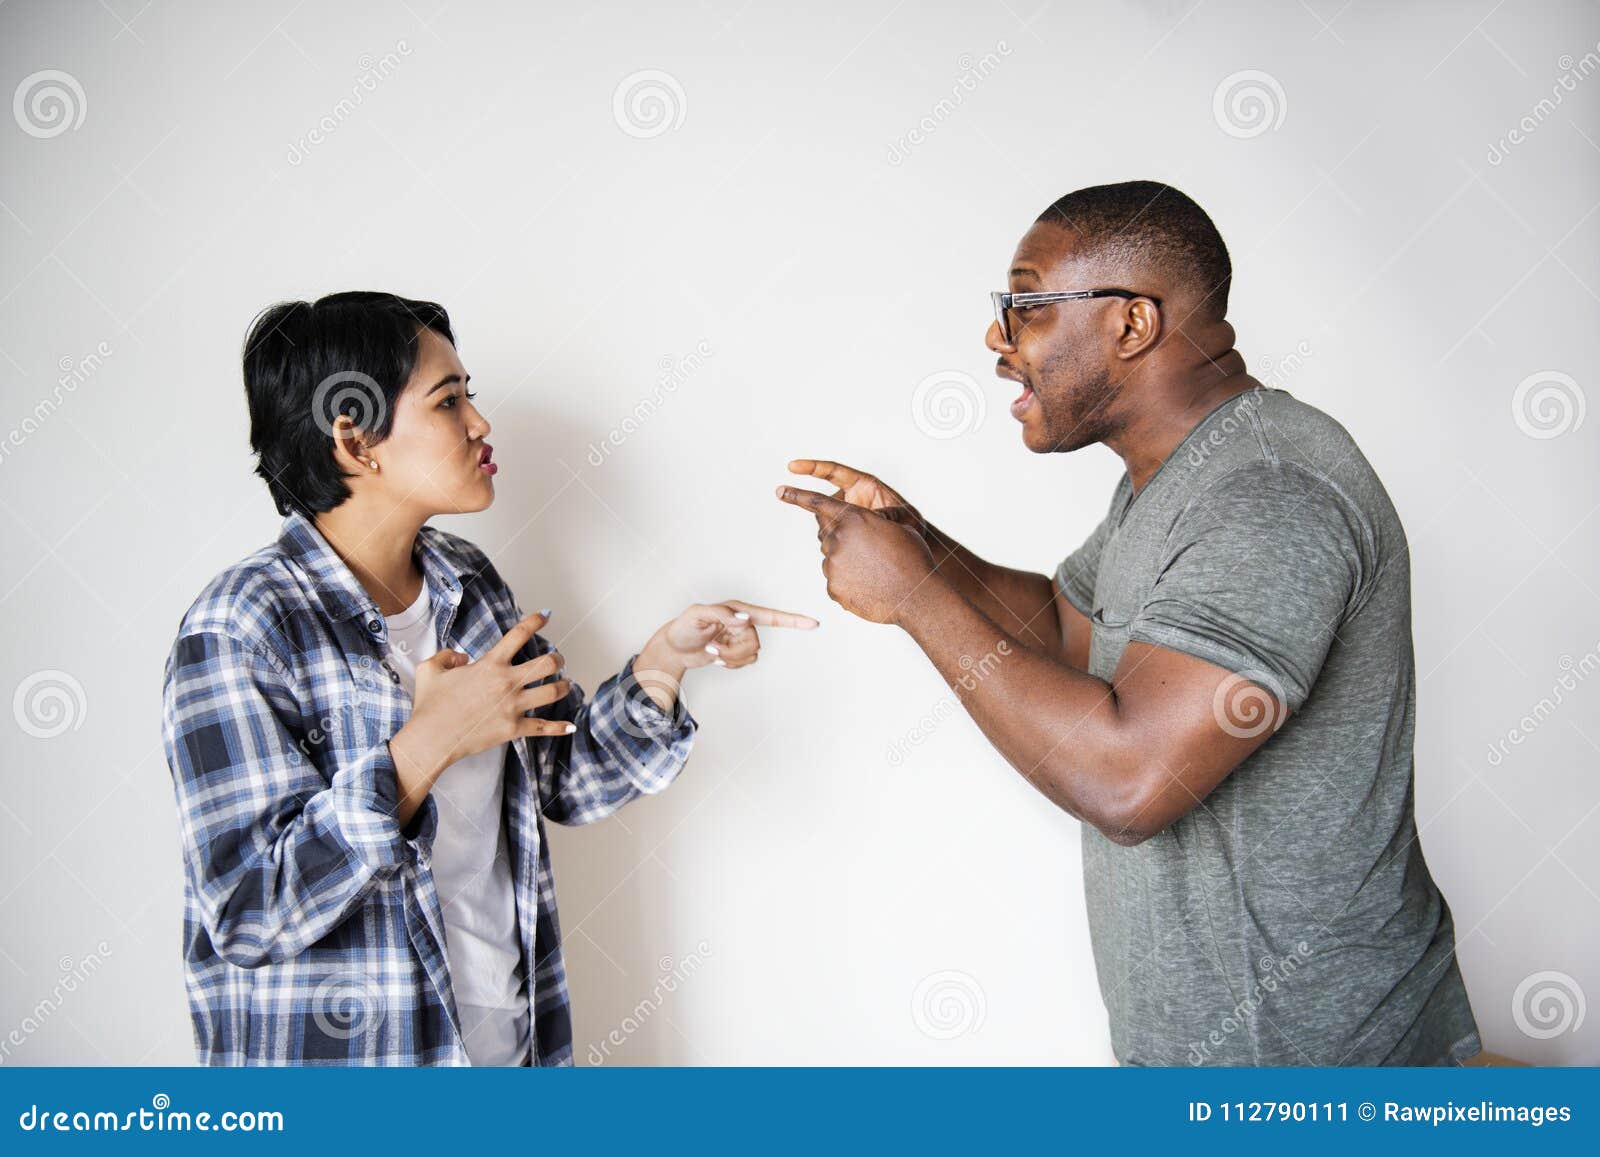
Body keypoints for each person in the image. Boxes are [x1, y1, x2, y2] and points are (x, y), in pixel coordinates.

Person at [777, 181, 1480, 1066]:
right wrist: (919, 543)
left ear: (1132, 324)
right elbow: (1071, 634)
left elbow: (1130, 782)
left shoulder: (1270, 494)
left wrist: (917, 596)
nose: (998, 343)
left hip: (1314, 1064)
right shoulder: (1178, 475)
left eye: (1024, 305)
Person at [163, 291, 815, 1065]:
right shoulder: (243, 625)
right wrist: (426, 744)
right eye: (449, 400)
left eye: (469, 394)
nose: (480, 422)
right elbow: (247, 910)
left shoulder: (467, 582)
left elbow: (561, 778)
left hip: (505, 1051)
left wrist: (665, 661)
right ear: (354, 438)